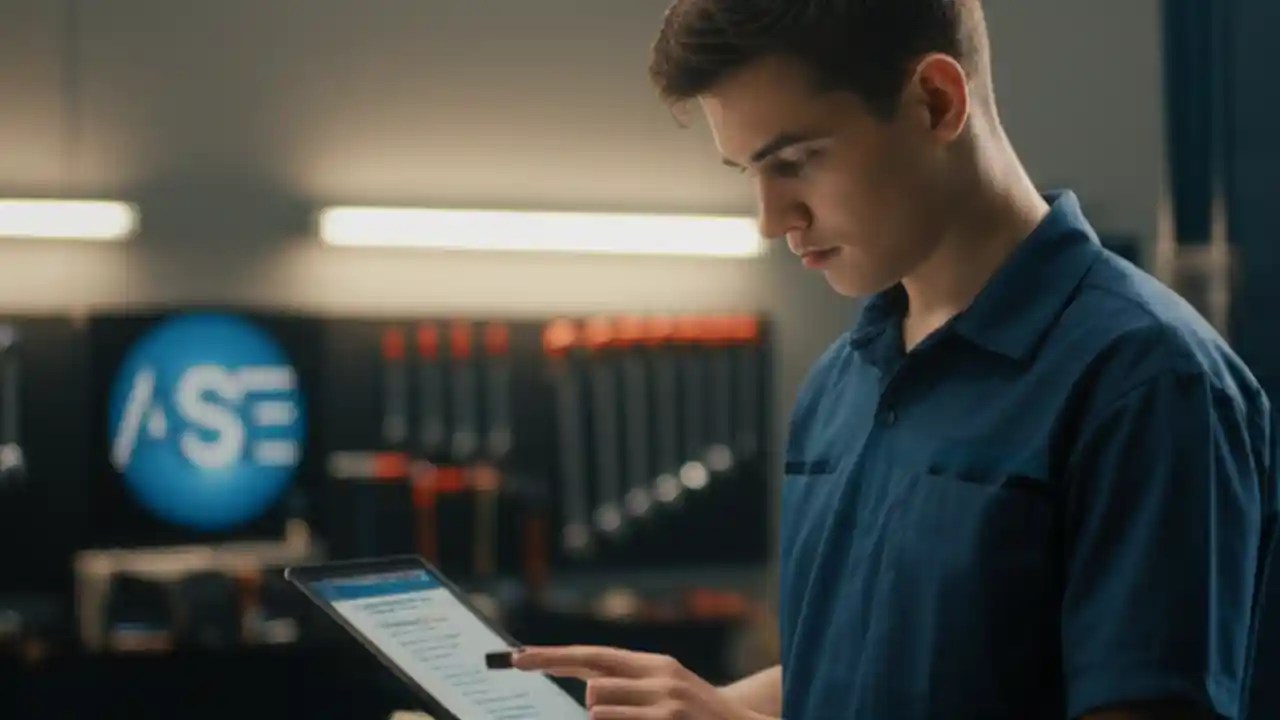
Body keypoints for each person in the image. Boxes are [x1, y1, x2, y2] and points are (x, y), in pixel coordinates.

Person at [508, 1, 1280, 718]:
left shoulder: (1147, 384)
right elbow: (875, 674)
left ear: (937, 102)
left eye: (797, 161)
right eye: (750, 173)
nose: (772, 220)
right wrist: (709, 703)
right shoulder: (840, 385)